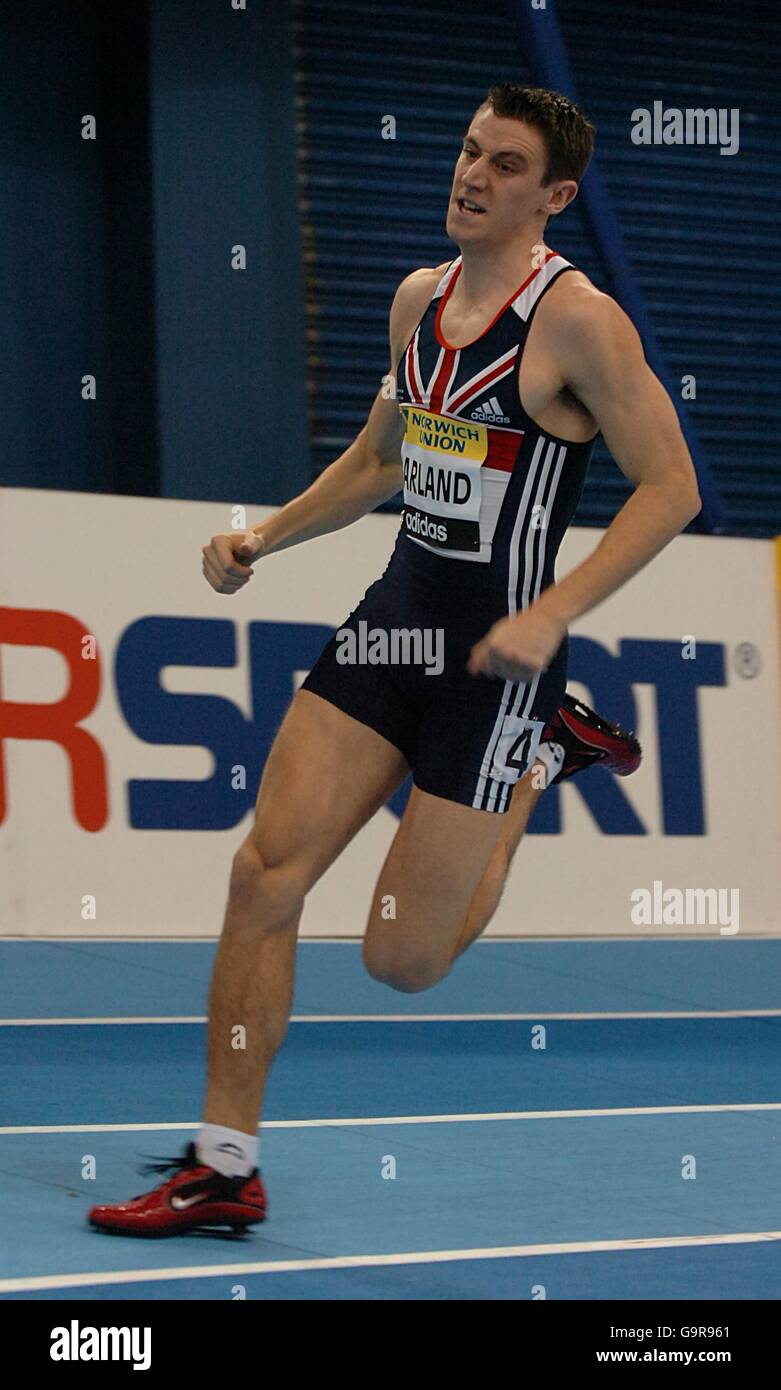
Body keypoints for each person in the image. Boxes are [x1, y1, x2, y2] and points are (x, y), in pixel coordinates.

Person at [89, 84, 699, 1237]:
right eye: (470, 150)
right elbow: (381, 460)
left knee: (400, 960)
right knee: (262, 874)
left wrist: (551, 613)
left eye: (506, 166)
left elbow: (670, 488)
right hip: (394, 625)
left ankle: (540, 758)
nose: (473, 174)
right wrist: (263, 534)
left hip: (500, 664)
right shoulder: (418, 301)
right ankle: (224, 1166)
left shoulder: (577, 323)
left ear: (552, 196)